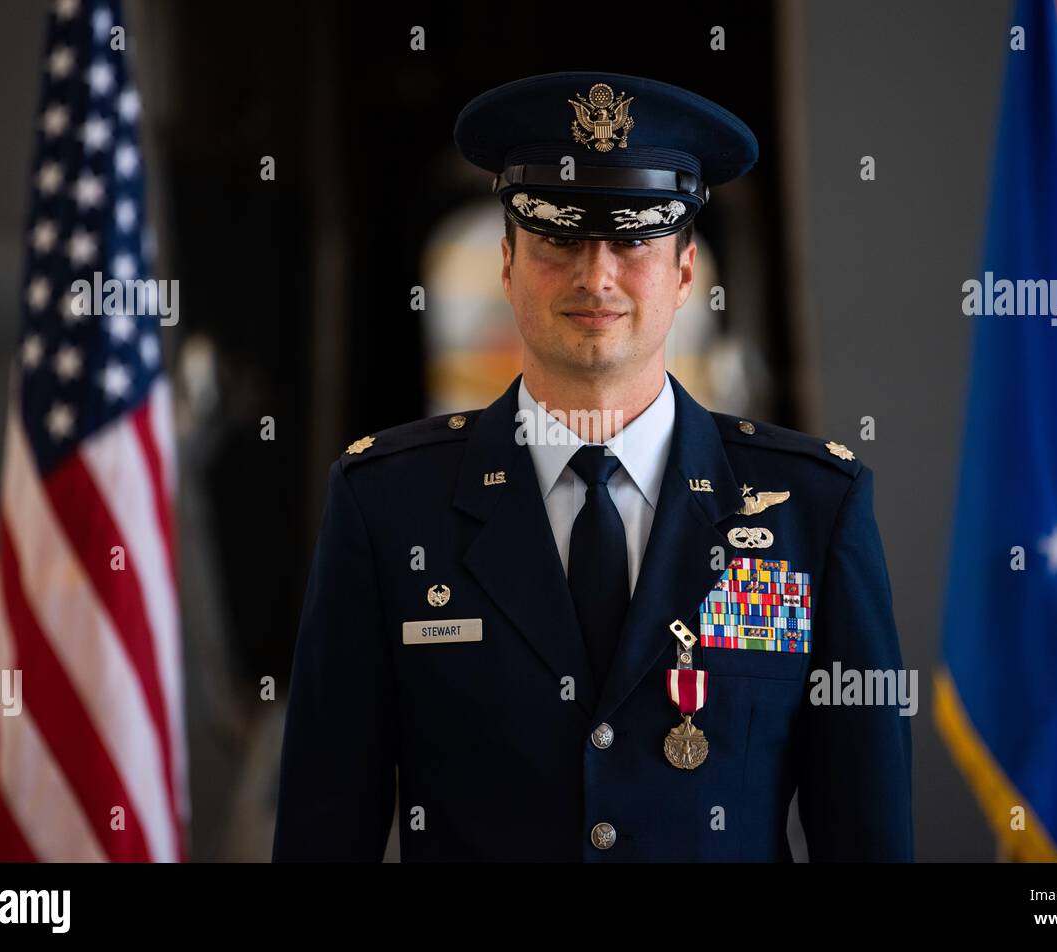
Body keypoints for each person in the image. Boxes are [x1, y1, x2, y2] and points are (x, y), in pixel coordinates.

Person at [273, 71, 912, 862]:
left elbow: (868, 836)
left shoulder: (811, 510)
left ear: (685, 273)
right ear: (505, 262)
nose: (595, 274)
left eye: (635, 238)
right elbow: (322, 834)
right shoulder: (386, 506)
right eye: (560, 236)